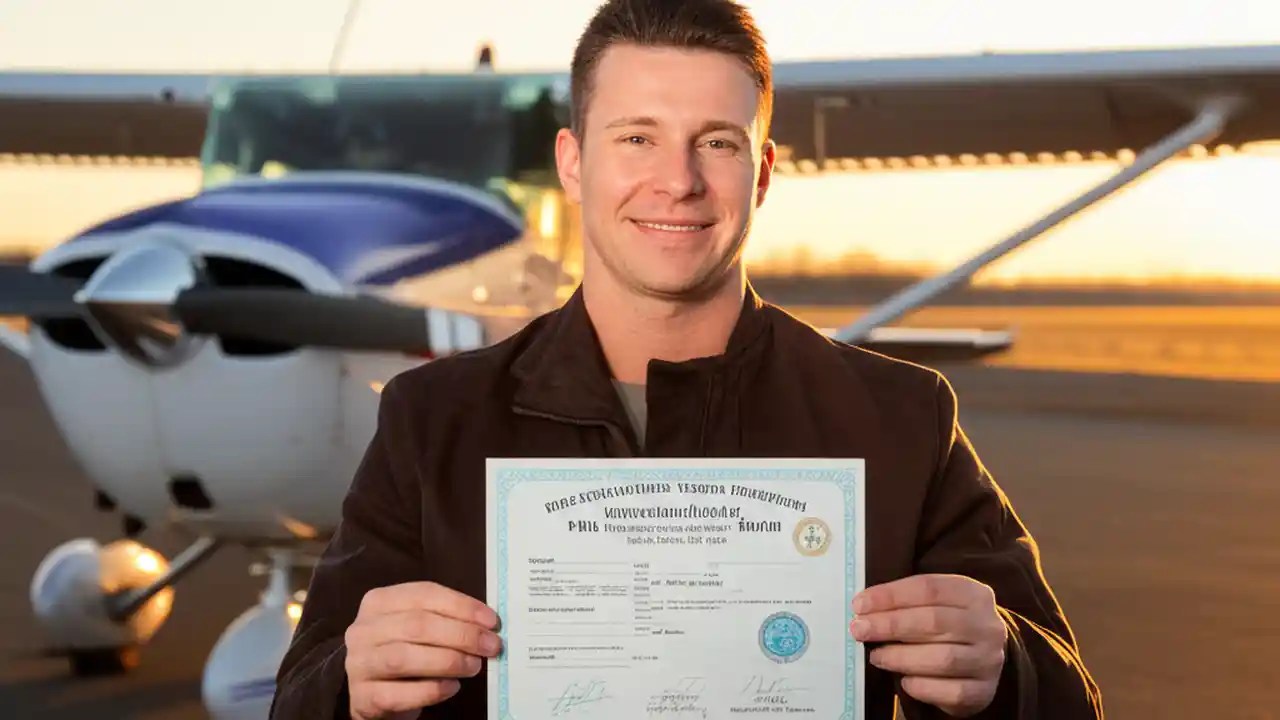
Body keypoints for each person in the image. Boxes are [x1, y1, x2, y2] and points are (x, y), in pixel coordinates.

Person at [269, 0, 1104, 718]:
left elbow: (1072, 700)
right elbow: (298, 698)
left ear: (764, 172)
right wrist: (351, 682)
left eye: (717, 143)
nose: (677, 181)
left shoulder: (901, 417)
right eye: (637, 137)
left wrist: (1004, 668)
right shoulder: (432, 420)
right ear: (573, 161)